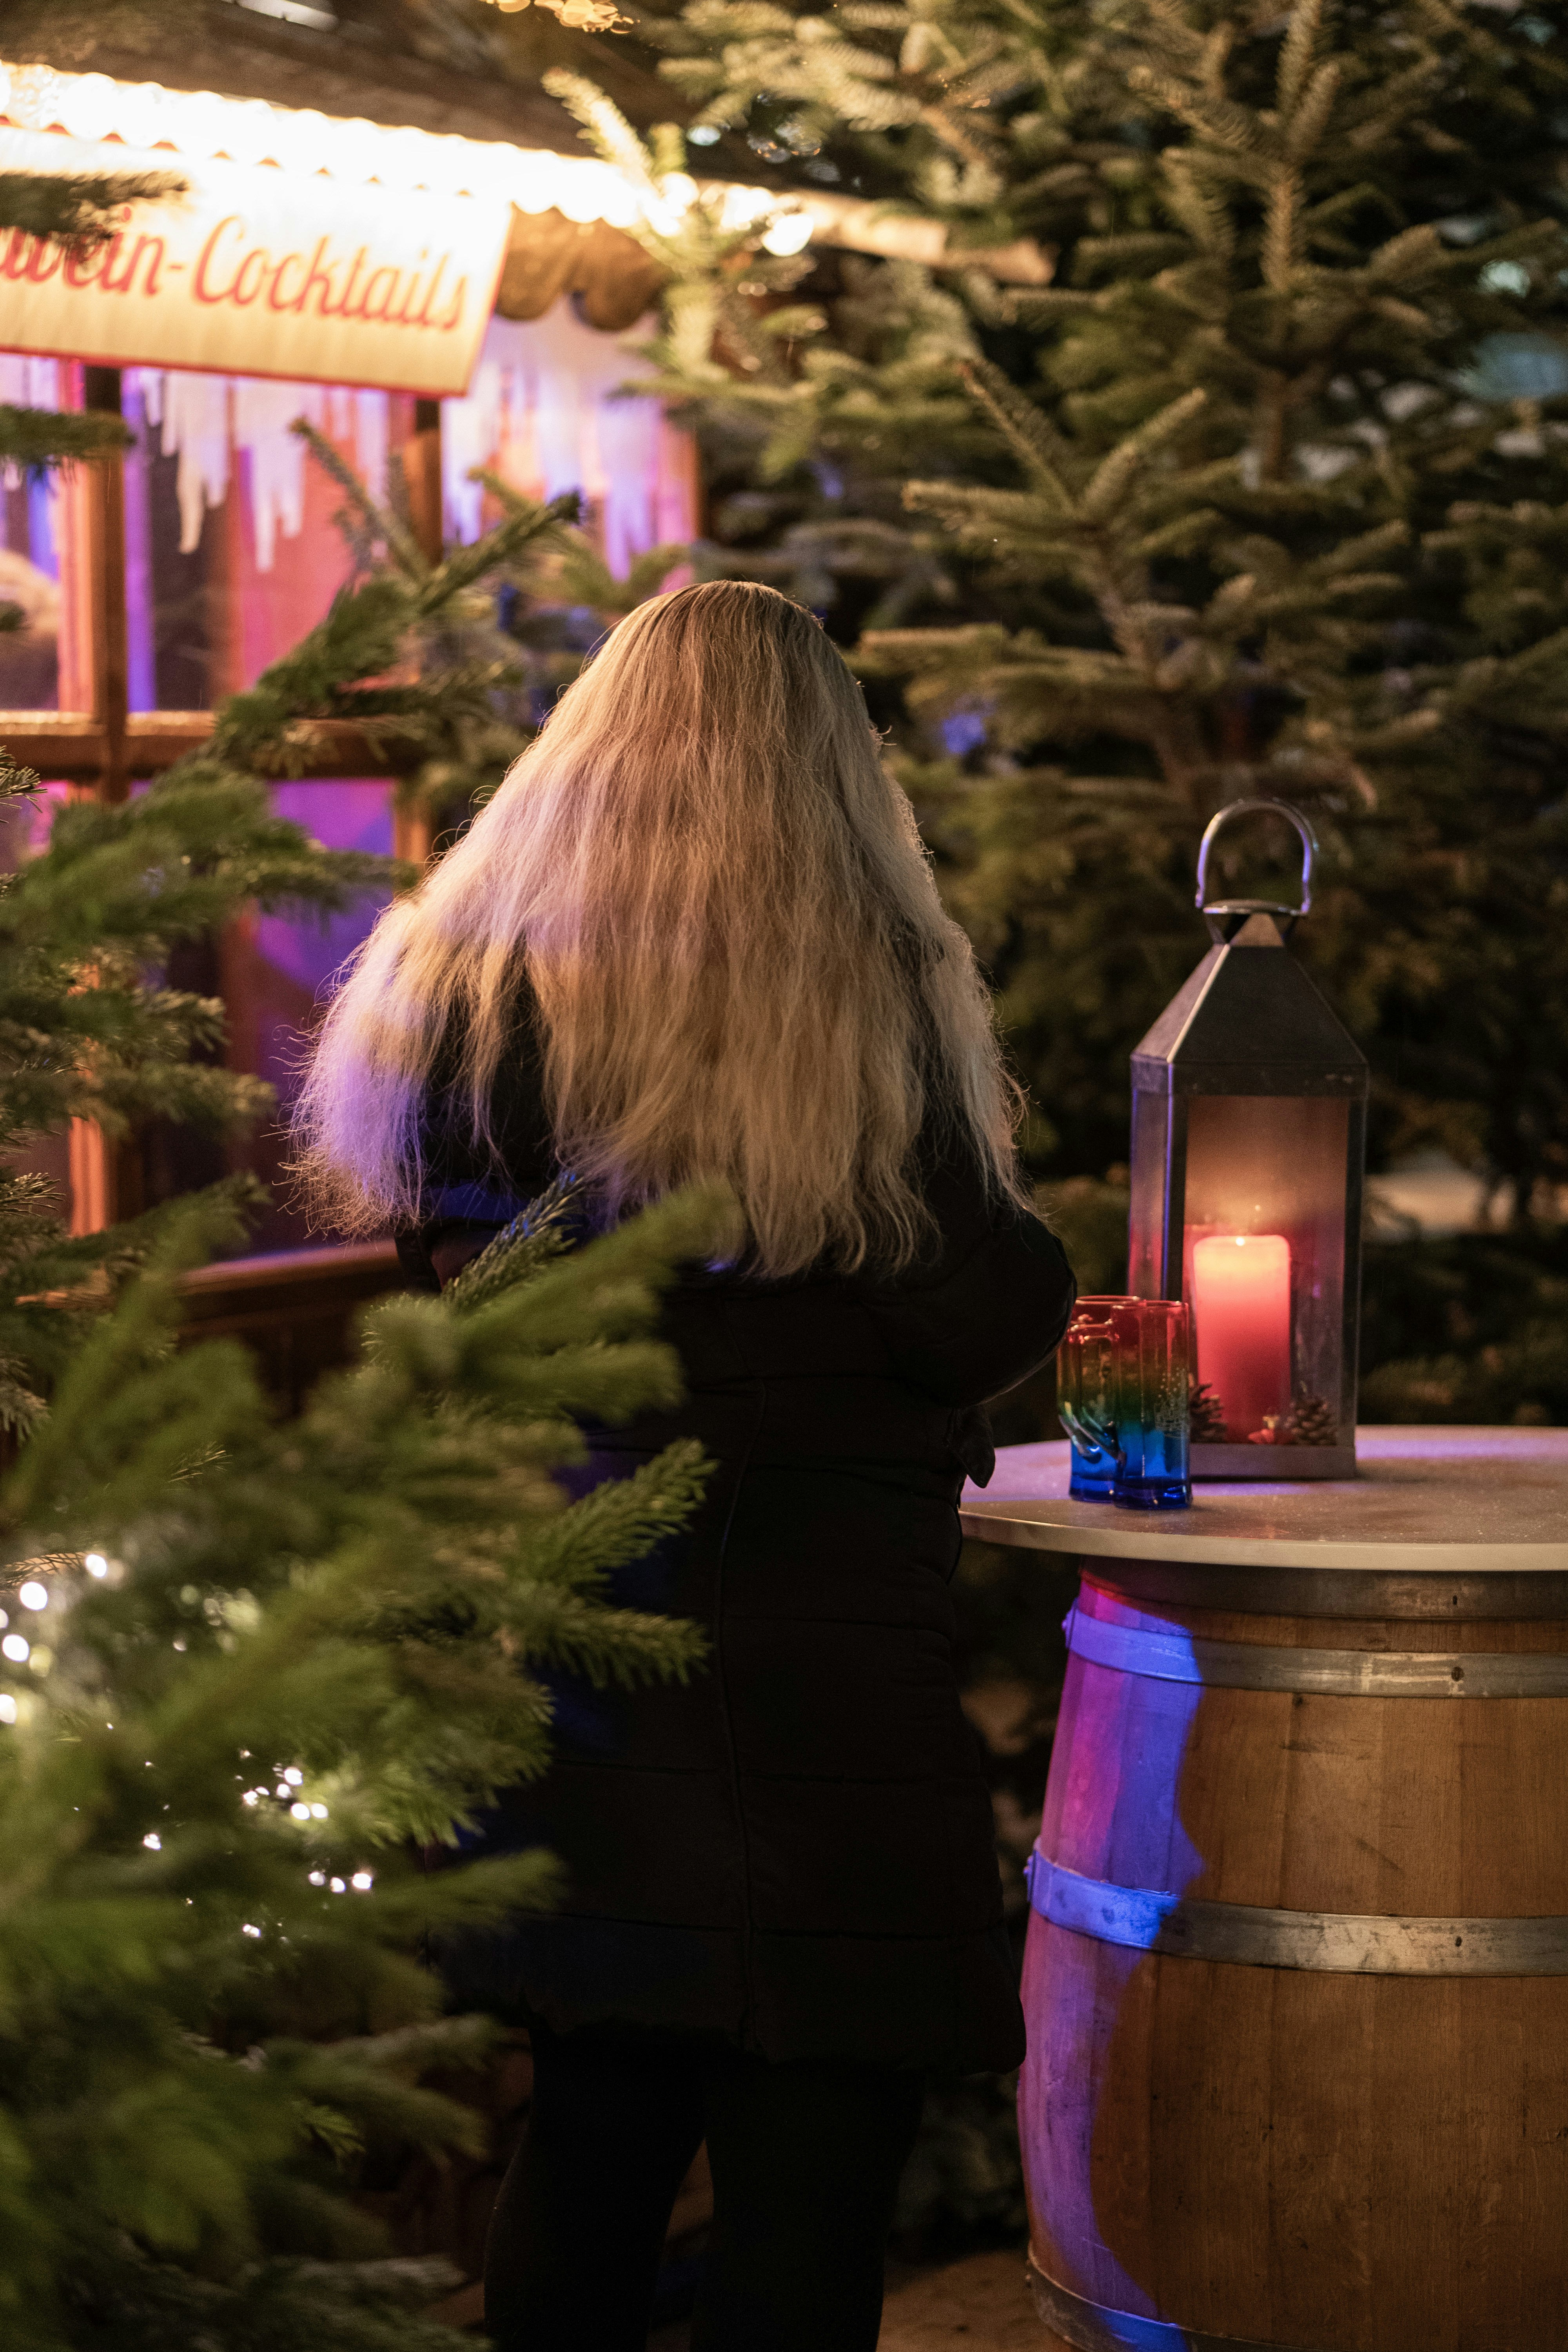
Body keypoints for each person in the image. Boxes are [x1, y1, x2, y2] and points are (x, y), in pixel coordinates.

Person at [293, 581, 1075, 2352]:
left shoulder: (465, 993)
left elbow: (450, 1286)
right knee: (811, 2179)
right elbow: (972, 1314)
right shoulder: (858, 1001)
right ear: (831, 772)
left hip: (584, 1647)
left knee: (589, 2133)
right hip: (826, 1692)